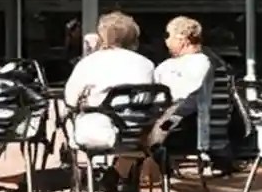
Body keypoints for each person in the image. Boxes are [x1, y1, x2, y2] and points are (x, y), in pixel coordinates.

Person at [64, 9, 154, 109]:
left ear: (102, 36)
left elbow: (71, 99)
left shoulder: (89, 62)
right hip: (138, 121)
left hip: (97, 120)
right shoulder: (146, 64)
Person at [154, 16, 214, 151]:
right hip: (163, 115)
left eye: (168, 35)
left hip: (180, 119)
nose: (166, 41)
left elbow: (186, 98)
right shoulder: (166, 65)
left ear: (183, 39)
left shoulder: (201, 63)